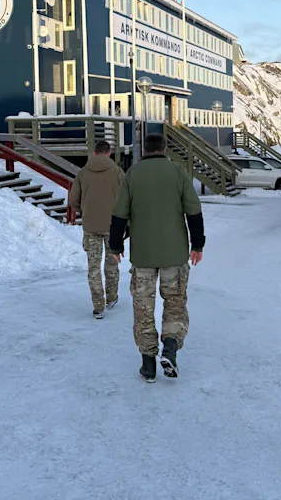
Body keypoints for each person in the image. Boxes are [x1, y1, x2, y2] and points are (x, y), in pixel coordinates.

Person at [109, 133, 206, 383]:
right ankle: (171, 347)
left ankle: (148, 364)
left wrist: (116, 244)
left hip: (142, 256)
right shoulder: (177, 173)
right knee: (174, 302)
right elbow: (193, 210)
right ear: (163, 148)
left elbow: (119, 213)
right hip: (174, 254)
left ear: (145, 150)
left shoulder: (132, 174)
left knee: (143, 308)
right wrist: (197, 244)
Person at [69, 140, 126, 320]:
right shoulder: (117, 172)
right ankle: (111, 297)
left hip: (91, 227)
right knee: (111, 264)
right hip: (113, 227)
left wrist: (84, 211)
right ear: (108, 153)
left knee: (93, 267)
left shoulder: (83, 173)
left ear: (94, 153)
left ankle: (98, 306)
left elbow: (73, 201)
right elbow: (126, 198)